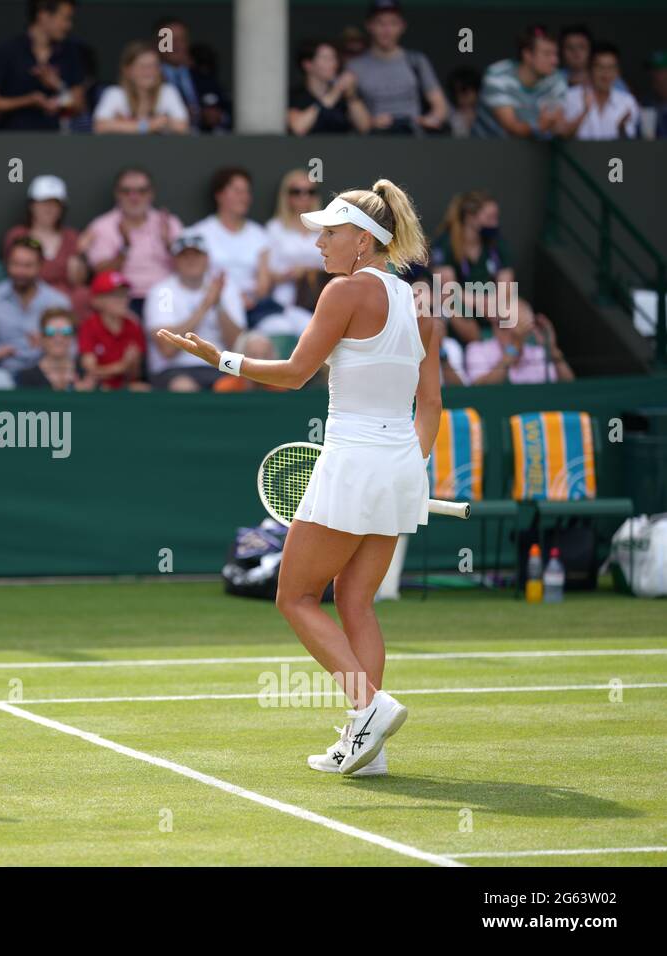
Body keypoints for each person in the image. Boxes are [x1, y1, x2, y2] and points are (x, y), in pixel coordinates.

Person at [159, 179, 436, 776]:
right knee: (356, 602)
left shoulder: (344, 292)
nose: (320, 245)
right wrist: (412, 467)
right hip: (399, 466)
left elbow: (292, 373)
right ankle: (371, 749)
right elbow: (431, 406)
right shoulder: (421, 307)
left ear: (363, 240)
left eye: (330, 234)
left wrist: (220, 358)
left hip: (353, 461)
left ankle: (369, 708)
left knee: (295, 596)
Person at [144, 233, 244, 391]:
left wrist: (218, 305)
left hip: (219, 366)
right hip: (175, 368)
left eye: (197, 255)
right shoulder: (163, 292)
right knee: (184, 387)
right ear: (175, 261)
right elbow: (167, 349)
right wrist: (204, 307)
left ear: (207, 259)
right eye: (184, 256)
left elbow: (238, 345)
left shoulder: (226, 288)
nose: (191, 260)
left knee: (237, 384)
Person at [79, 167, 182, 307]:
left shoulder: (168, 222)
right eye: (126, 191)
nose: (134, 197)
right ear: (117, 194)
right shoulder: (102, 226)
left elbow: (190, 267)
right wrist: (125, 247)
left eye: (142, 191)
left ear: (151, 193)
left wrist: (169, 245)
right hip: (123, 296)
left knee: (165, 321)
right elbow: (101, 272)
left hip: (164, 294)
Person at [345, 0, 447, 135]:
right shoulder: (355, 66)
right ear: (369, 26)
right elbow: (349, 112)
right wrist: (372, 122)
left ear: (402, 26)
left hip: (414, 136)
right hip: (375, 139)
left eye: (393, 23)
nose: (387, 30)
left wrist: (430, 120)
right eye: (380, 23)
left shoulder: (416, 61)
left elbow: (440, 105)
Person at [0, 0, 85, 131]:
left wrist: (59, 86)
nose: (68, 25)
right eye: (65, 18)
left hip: (54, 141)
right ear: (43, 15)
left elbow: (79, 106)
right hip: (10, 141)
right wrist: (29, 100)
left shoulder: (70, 53)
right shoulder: (7, 50)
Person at [188, 167, 274, 321]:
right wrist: (231, 298)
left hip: (253, 309)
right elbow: (194, 276)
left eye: (246, 192)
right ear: (219, 195)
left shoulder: (259, 234)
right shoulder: (200, 233)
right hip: (212, 307)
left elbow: (263, 283)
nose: (244, 197)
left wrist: (251, 299)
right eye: (236, 191)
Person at [428, 190, 514, 343]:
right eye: (489, 218)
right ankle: (480, 347)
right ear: (470, 217)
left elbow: (507, 287)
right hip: (460, 307)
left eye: (496, 218)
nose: (495, 224)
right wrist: (483, 302)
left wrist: (492, 302)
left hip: (491, 306)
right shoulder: (445, 244)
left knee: (518, 307)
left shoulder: (495, 243)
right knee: (450, 304)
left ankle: (510, 349)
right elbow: (450, 290)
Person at [0, 236, 70, 374]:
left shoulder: (58, 302)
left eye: (27, 265)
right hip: (3, 375)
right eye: (15, 264)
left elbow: (71, 349)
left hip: (47, 377)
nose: (20, 271)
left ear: (40, 266)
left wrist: (48, 343)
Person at [2, 174, 88, 318]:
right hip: (29, 293)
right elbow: (18, 271)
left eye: (55, 204)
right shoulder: (18, 234)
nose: (49, 209)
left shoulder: (71, 236)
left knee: (82, 296)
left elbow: (76, 281)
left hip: (66, 301)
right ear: (31, 205)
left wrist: (80, 260)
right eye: (43, 203)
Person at [257, 170, 331, 336]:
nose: (304, 197)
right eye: (296, 192)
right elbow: (266, 273)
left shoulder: (325, 227)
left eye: (310, 192)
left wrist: (312, 272)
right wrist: (290, 274)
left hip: (324, 295)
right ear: (286, 196)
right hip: (286, 299)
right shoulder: (274, 228)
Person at [474, 26, 566, 139]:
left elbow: (559, 127)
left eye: (555, 54)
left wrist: (582, 114)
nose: (555, 61)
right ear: (527, 55)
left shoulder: (556, 79)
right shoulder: (498, 77)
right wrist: (540, 126)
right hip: (484, 152)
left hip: (534, 153)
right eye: (547, 54)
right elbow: (512, 127)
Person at [464, 297, 573, 384]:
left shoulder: (538, 353)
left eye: (514, 324)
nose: (510, 332)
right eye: (501, 324)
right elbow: (480, 391)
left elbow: (570, 390)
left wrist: (552, 350)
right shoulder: (477, 350)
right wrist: (514, 348)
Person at [153, 15, 231, 133]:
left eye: (181, 40)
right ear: (157, 44)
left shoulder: (204, 76)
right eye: (168, 40)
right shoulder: (149, 77)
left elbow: (231, 113)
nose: (176, 45)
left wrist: (218, 117)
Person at [92, 40, 189, 134]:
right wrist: (148, 126)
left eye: (154, 65)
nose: (149, 72)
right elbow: (100, 126)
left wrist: (122, 124)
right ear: (127, 70)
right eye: (142, 66)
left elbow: (183, 127)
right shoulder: (115, 93)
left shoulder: (168, 91)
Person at [79, 269, 144, 390]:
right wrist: (123, 366)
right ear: (97, 300)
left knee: (142, 389)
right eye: (115, 295)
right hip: (99, 388)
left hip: (125, 386)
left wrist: (132, 364)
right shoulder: (89, 326)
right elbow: (91, 370)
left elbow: (135, 375)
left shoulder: (133, 326)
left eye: (124, 294)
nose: (123, 300)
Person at [288, 39, 370, 135]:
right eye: (326, 58)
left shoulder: (343, 97)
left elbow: (365, 128)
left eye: (334, 58)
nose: (333, 64)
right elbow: (298, 128)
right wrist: (335, 92)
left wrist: (351, 95)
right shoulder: (295, 96)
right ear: (308, 65)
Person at [559, 43, 639, 140]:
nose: (605, 74)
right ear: (590, 69)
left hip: (614, 155)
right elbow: (562, 137)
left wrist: (621, 129)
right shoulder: (570, 97)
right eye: (600, 67)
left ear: (618, 71)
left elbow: (632, 148)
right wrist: (584, 112)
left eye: (611, 68)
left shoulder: (627, 101)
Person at [15, 306, 92, 390]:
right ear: (42, 336)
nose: (58, 338)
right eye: (50, 332)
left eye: (66, 331)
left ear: (73, 336)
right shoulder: (26, 378)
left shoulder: (86, 375)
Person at [445, 67, 481, 138]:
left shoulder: (490, 115)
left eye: (464, 91)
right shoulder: (448, 117)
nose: (459, 98)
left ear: (477, 91)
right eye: (455, 93)